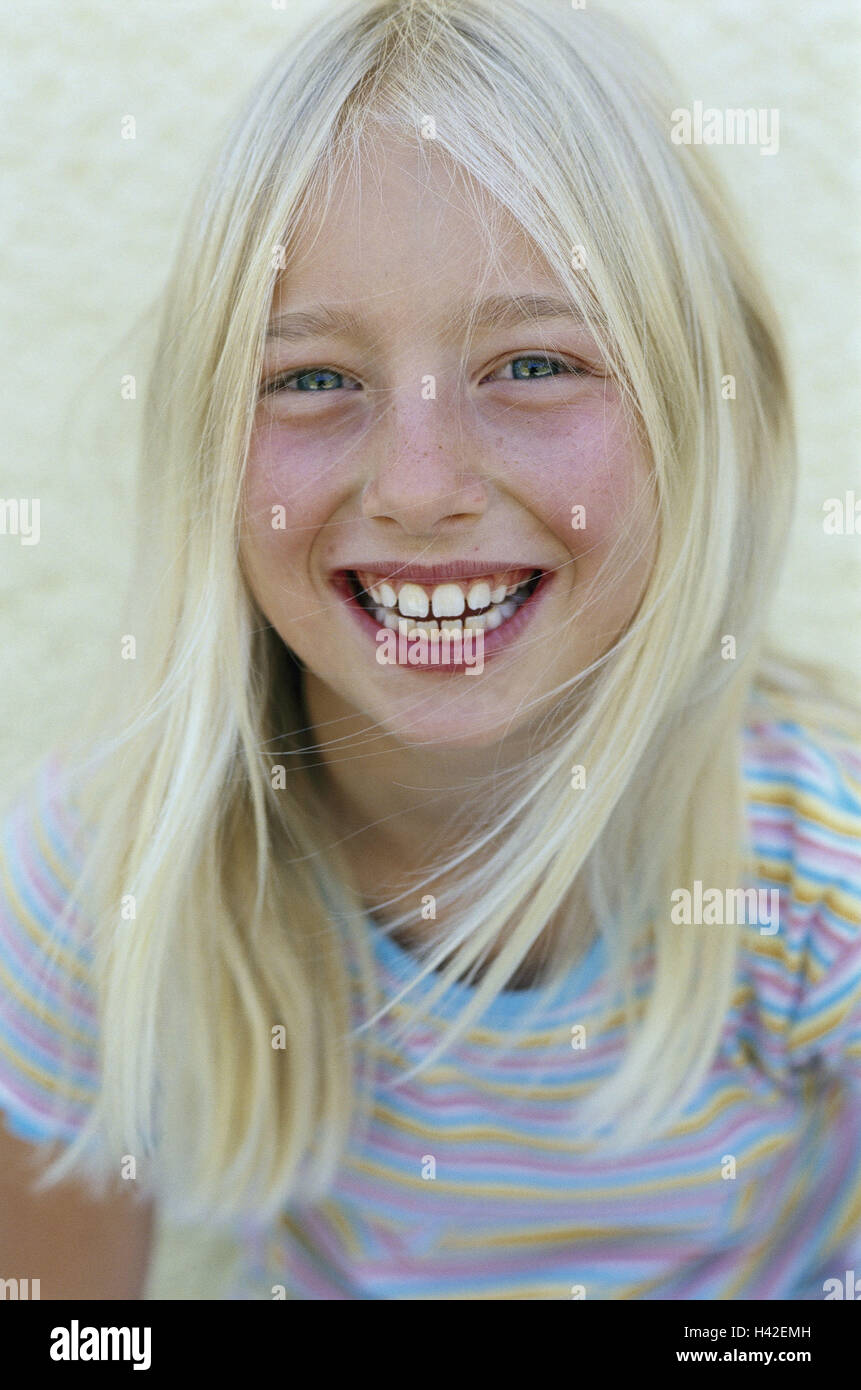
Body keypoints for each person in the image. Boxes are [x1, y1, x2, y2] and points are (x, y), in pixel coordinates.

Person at [2, 0, 859, 1300]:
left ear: (702, 417)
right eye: (310, 378)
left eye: (529, 362)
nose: (416, 485)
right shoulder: (107, 883)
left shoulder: (816, 873)